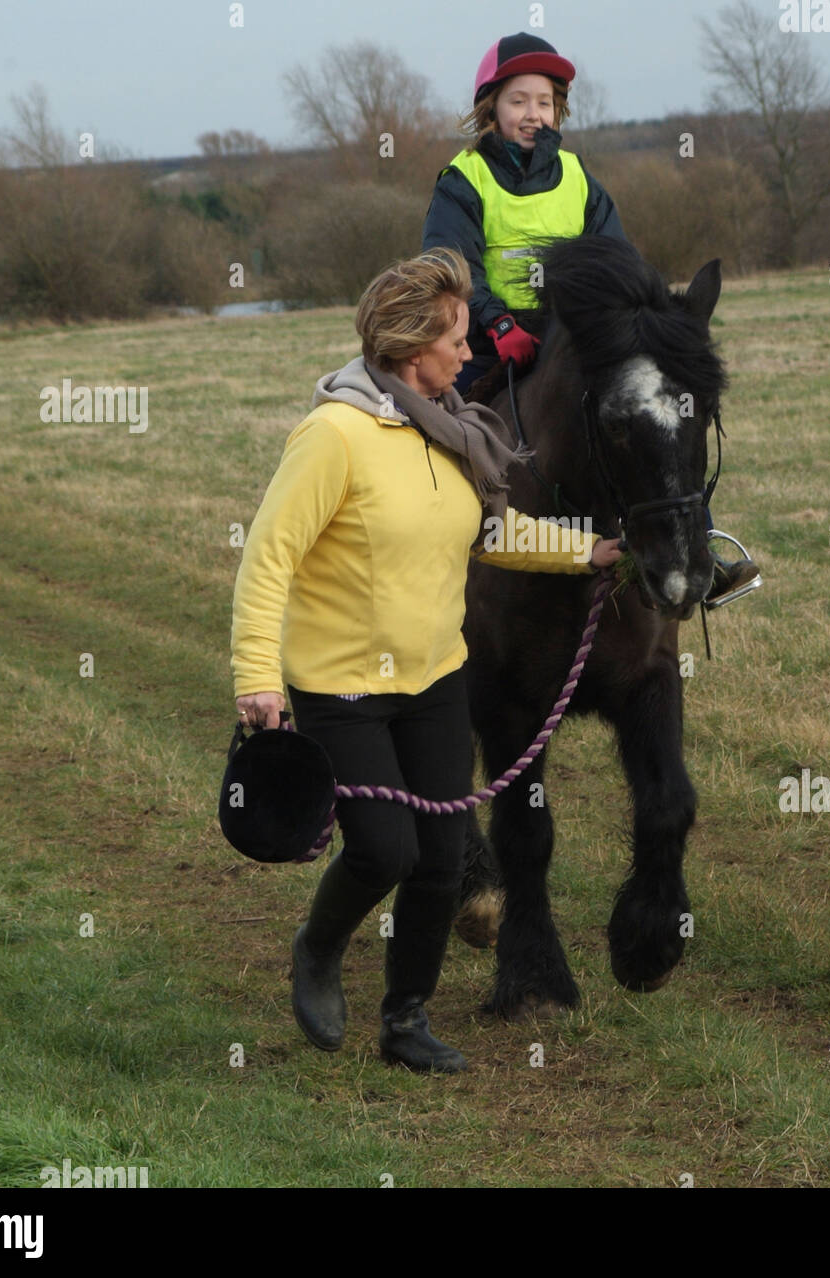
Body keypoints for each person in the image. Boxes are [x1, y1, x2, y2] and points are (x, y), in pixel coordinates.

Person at [230, 247, 622, 1074]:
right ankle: (317, 945)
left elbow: (491, 534)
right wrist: (257, 678)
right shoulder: (334, 435)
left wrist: (590, 554)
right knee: (384, 851)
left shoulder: (450, 432)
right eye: (456, 338)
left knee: (442, 862)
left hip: (435, 675)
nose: (471, 351)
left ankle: (404, 1020)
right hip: (341, 683)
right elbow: (268, 558)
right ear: (414, 351)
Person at [422, 30, 761, 607]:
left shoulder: (580, 180)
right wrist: (499, 324)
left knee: (658, 415)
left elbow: (619, 266)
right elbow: (450, 265)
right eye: (518, 101)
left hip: (573, 339)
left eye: (545, 102)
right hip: (483, 337)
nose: (533, 114)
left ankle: (697, 541)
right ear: (490, 109)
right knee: (431, 428)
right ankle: (427, 549)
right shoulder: (462, 180)